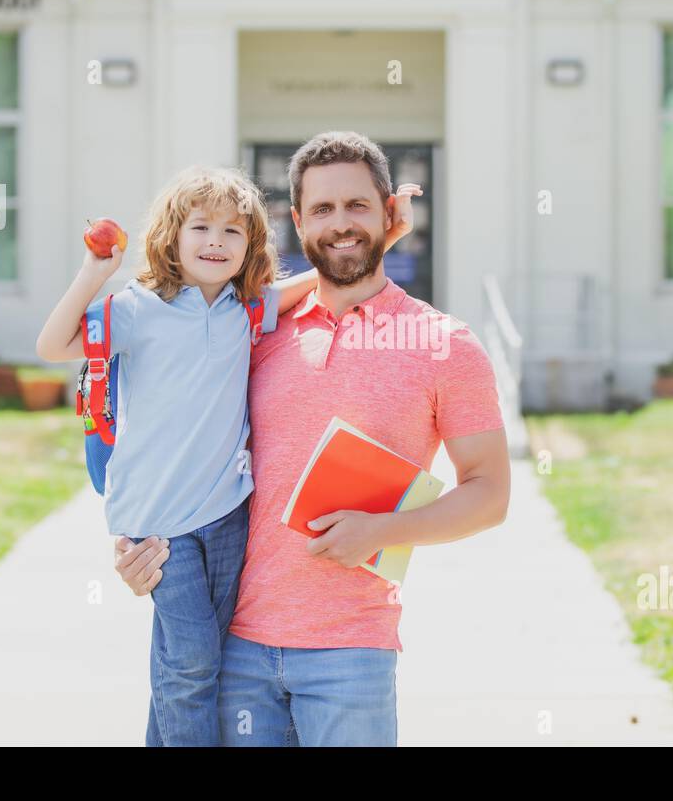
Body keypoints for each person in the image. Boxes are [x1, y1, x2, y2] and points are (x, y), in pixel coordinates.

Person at [113, 133, 511, 746]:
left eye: (357, 206)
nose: (341, 223)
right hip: (237, 649)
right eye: (322, 210)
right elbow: (168, 436)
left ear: (387, 213)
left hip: (351, 654)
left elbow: (489, 495)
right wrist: (142, 546)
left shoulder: (445, 345)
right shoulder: (250, 331)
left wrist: (382, 531)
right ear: (297, 223)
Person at [35, 164, 419, 745]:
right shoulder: (139, 309)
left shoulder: (249, 310)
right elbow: (52, 345)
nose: (215, 241)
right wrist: (95, 272)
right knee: (189, 664)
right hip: (158, 522)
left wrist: (383, 236)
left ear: (251, 246)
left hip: (225, 515)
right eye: (200, 228)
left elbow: (323, 278)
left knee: (195, 661)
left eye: (232, 232)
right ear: (172, 237)